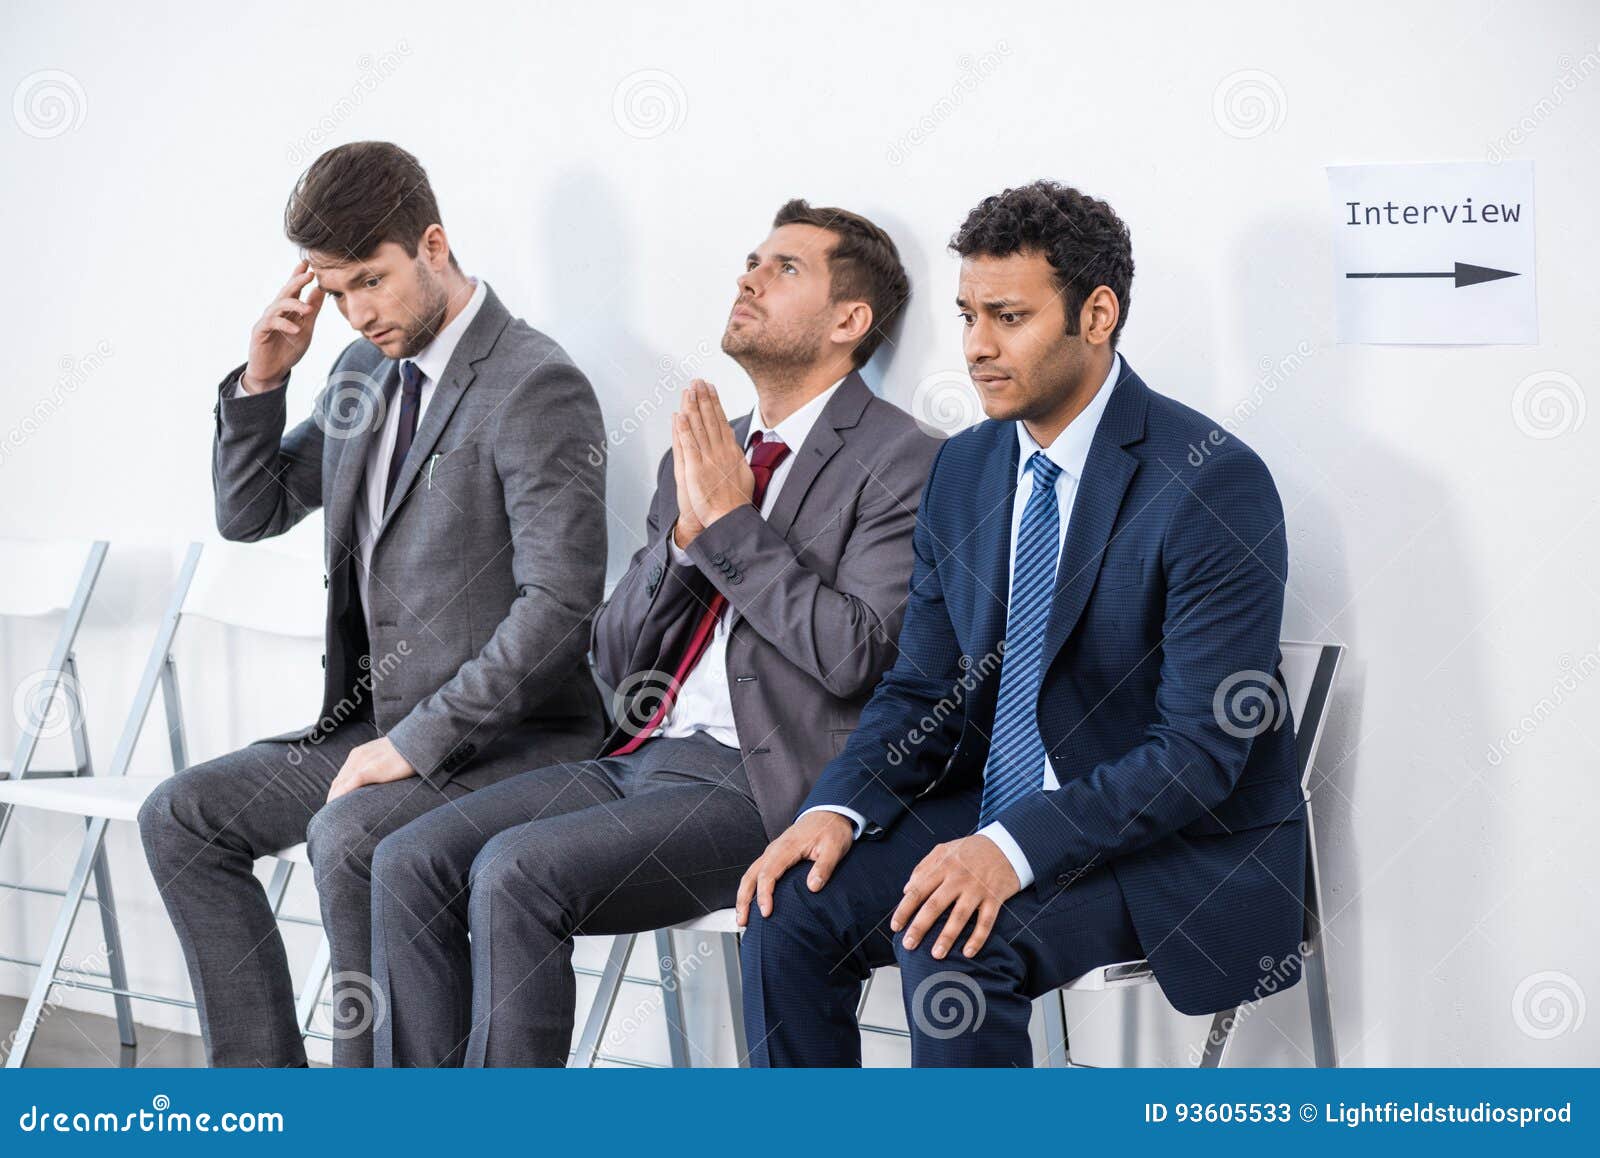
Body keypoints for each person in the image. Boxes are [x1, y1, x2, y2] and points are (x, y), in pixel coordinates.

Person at [738, 180, 1307, 1066]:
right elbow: (923, 687)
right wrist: (837, 806)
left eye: (1007, 317)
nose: (976, 347)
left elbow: (1198, 753)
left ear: (1098, 314)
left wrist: (1009, 849)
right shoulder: (965, 470)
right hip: (1002, 804)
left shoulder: (1210, 482)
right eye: (967, 315)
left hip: (1170, 842)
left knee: (953, 939)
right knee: (791, 905)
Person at [369, 199, 942, 1066]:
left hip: (762, 785)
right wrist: (683, 544)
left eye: (785, 268)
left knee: (514, 873)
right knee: (407, 857)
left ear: (849, 321)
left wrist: (730, 532)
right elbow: (614, 654)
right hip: (636, 757)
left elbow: (859, 654)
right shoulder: (706, 450)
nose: (748, 276)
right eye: (751, 258)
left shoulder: (908, 458)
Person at [138, 141, 608, 1067]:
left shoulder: (534, 384)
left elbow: (560, 605)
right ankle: (266, 1096)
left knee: (349, 835)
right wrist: (265, 379)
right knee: (180, 817)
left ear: (432, 245)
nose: (357, 312)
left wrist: (418, 743)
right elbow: (253, 511)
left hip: (503, 744)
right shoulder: (359, 374)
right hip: (372, 733)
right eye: (334, 288)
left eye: (370, 282)